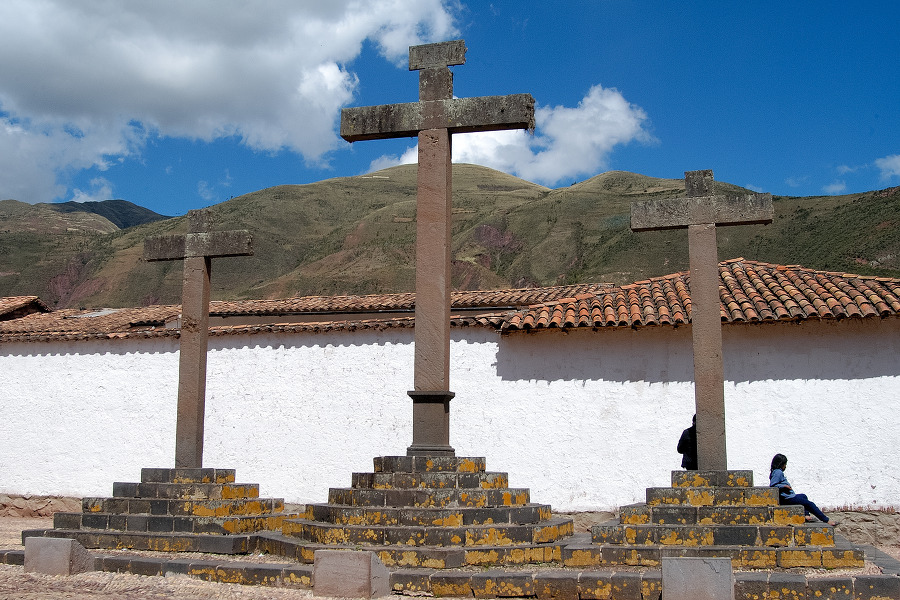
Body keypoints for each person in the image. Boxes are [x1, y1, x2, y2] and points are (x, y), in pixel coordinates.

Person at [769, 453, 837, 526]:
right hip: (787, 498)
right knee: (809, 504)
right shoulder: (778, 472)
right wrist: (784, 487)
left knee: (803, 496)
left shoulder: (776, 472)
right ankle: (826, 520)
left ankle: (806, 515)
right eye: (785, 464)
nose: (785, 466)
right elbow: (773, 486)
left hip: (788, 497)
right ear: (781, 464)